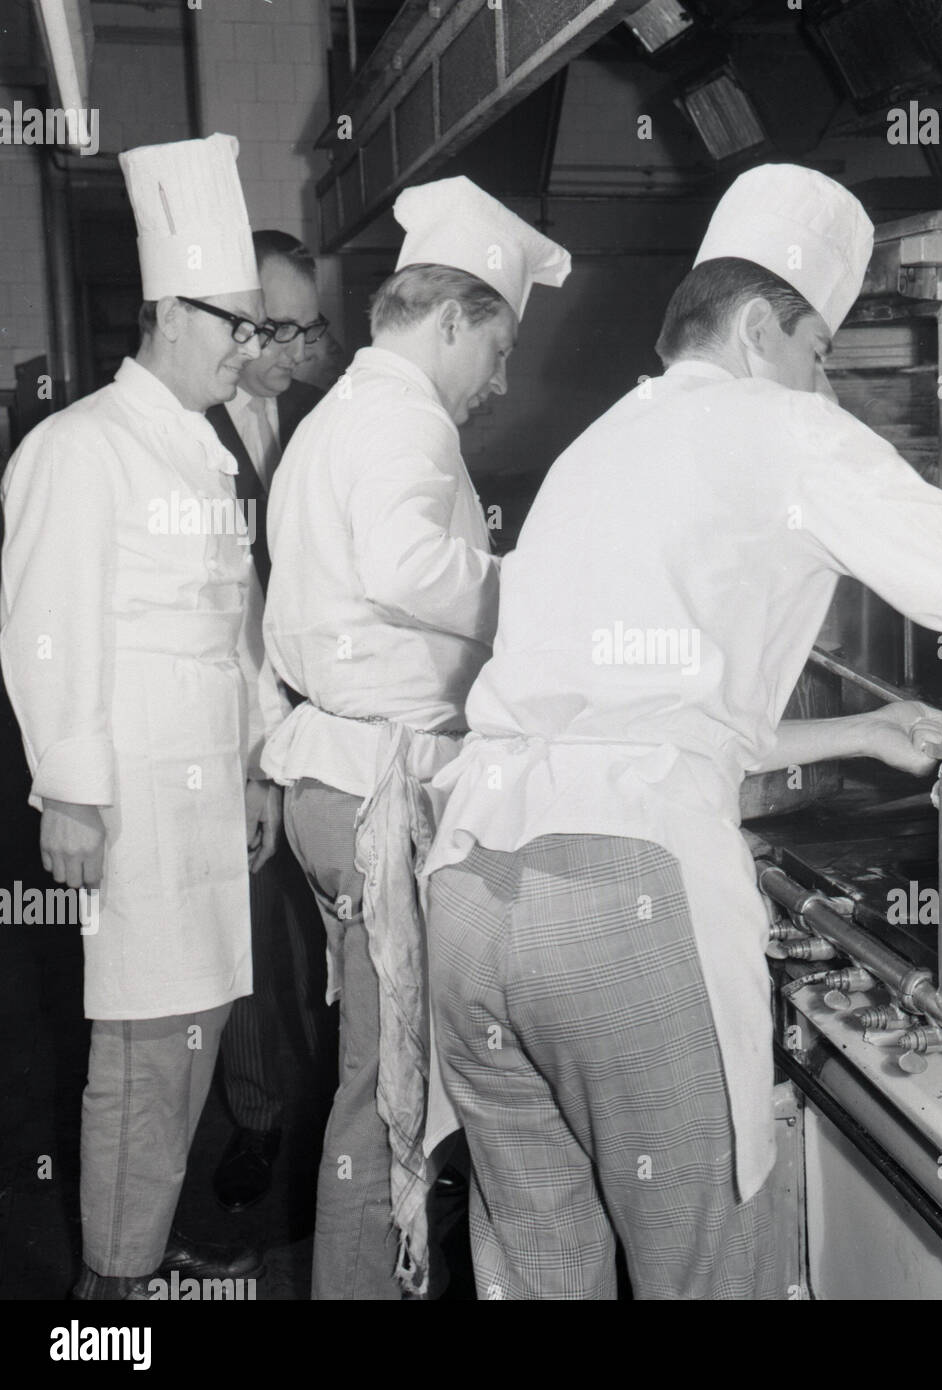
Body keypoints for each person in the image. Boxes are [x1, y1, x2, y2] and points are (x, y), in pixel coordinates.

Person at [421, 163, 942, 1300]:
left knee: (542, 1271)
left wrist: (864, 727)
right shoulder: (780, 429)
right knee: (706, 1274)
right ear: (760, 331)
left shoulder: (596, 449)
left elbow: (635, 714)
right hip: (620, 904)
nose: (826, 385)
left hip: (469, 891)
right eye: (819, 354)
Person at [262, 176, 570, 1299]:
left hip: (337, 780)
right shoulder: (403, 417)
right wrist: (530, 598)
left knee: (382, 1083)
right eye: (493, 351)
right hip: (375, 789)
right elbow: (405, 571)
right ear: (451, 318)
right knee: (387, 1095)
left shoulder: (337, 415)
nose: (496, 383)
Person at [0, 133, 287, 1300]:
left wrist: (262, 769)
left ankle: (141, 1244)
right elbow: (42, 629)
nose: (254, 351)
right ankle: (107, 1303)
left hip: (212, 809)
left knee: (190, 1041)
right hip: (134, 819)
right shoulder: (81, 449)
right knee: (137, 1063)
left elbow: (239, 629)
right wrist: (68, 790)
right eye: (242, 326)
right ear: (171, 313)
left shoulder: (201, 455)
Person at [205, 229, 333, 1214]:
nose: (296, 348)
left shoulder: (315, 422)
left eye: (306, 325)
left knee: (317, 926)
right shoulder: (196, 432)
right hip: (236, 731)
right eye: (280, 328)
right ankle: (257, 1122)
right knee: (251, 937)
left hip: (315, 716)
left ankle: (324, 1119)